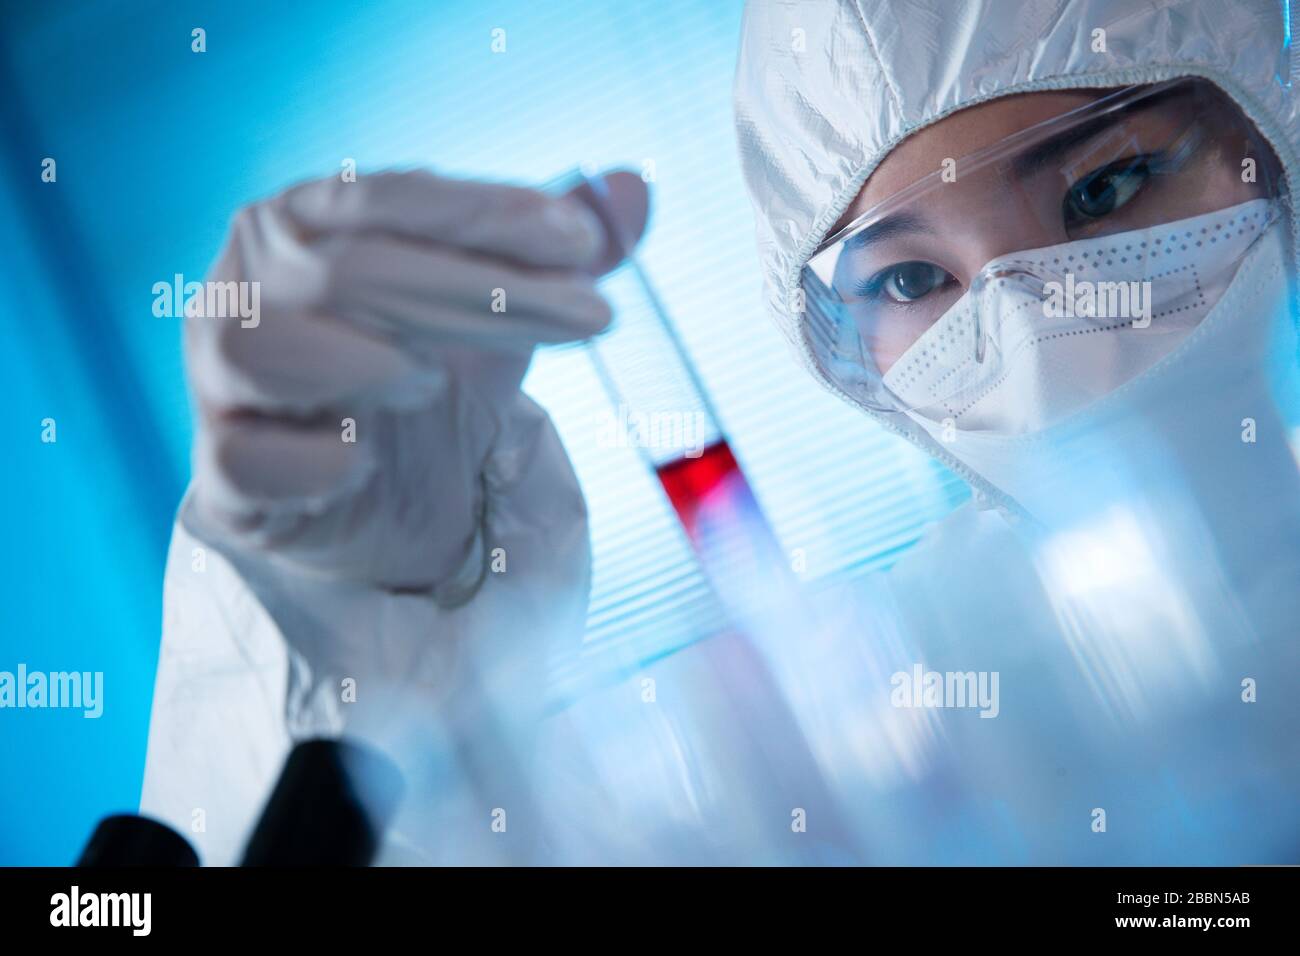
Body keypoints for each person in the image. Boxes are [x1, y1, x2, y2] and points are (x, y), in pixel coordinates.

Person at [141, 0, 1300, 864]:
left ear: (1271, 135)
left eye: (1106, 188)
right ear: (840, 347)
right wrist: (360, 671)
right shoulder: (878, 734)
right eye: (907, 280)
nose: (1034, 324)